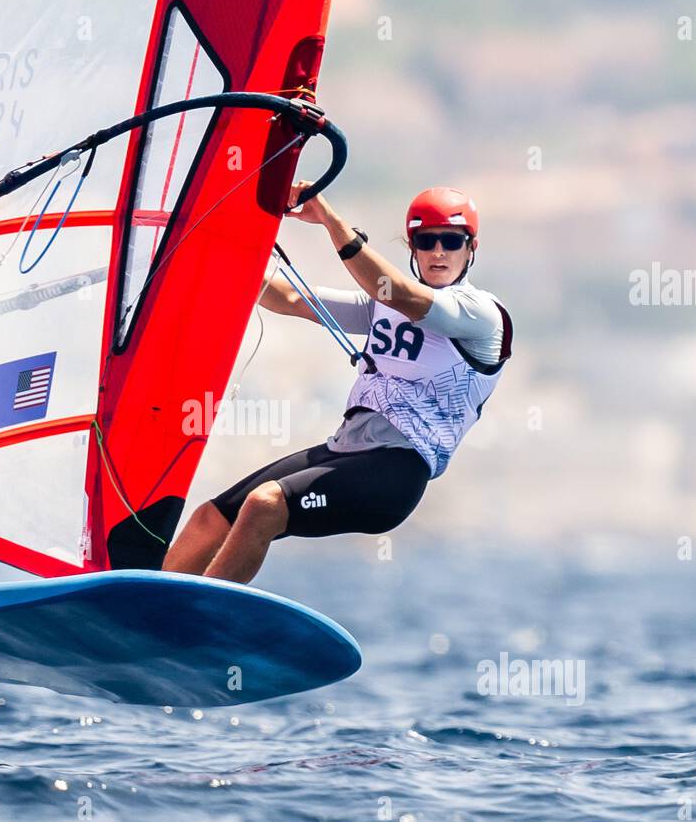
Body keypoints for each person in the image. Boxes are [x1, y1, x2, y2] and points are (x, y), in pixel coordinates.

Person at [162, 185, 513, 583]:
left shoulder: (480, 315)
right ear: (412, 245)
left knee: (265, 505)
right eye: (425, 240)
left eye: (450, 241)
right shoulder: (381, 307)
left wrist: (331, 222)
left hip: (396, 472)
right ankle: (141, 612)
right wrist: (206, 250)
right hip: (343, 450)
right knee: (211, 518)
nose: (438, 252)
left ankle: (195, 621)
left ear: (471, 247)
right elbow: (290, 297)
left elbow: (402, 294)